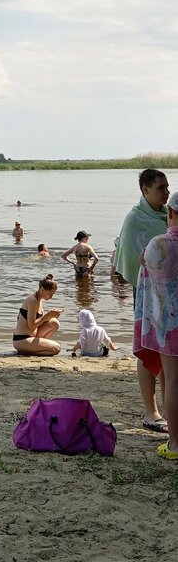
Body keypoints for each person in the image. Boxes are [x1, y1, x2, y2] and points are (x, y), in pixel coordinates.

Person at [117, 167, 170, 432]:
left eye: (168, 187)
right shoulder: (134, 219)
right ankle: (151, 412)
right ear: (145, 190)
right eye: (161, 188)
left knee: (171, 352)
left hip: (171, 295)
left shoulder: (168, 216)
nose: (167, 192)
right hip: (147, 295)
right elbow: (127, 258)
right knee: (149, 349)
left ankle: (171, 409)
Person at [134, 189, 178, 459]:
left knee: (173, 379)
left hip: (169, 326)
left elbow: (145, 269)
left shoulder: (159, 244)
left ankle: (175, 444)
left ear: (170, 213)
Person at [12, 273, 63, 356]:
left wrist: (51, 315)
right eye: (50, 294)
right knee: (56, 348)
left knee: (54, 323)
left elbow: (38, 323)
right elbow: (31, 326)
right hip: (22, 339)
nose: (51, 297)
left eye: (53, 294)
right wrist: (47, 315)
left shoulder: (39, 299)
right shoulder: (33, 300)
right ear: (42, 289)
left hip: (32, 336)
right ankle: (28, 351)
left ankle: (36, 348)